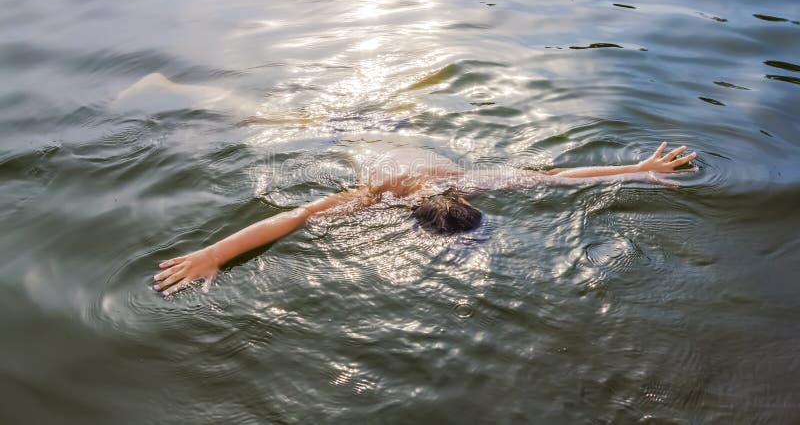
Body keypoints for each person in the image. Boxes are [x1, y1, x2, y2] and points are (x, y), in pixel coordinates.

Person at [152, 140, 697, 296]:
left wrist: (641, 169)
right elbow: (295, 215)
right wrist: (213, 253)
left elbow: (560, 176)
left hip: (393, 130)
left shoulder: (469, 182)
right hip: (347, 131)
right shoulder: (378, 192)